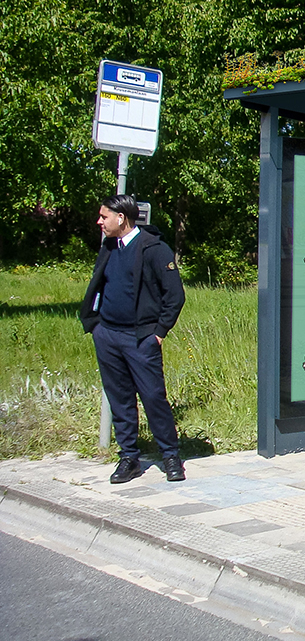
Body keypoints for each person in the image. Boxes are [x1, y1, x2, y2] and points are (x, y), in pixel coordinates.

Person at [79, 194, 187, 484]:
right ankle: (129, 458)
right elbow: (100, 283)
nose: (99, 222)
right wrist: (96, 326)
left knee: (153, 397)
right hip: (107, 335)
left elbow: (175, 296)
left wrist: (159, 333)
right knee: (120, 398)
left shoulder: (154, 249)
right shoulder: (109, 247)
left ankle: (170, 455)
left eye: (104, 217)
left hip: (141, 338)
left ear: (121, 219)